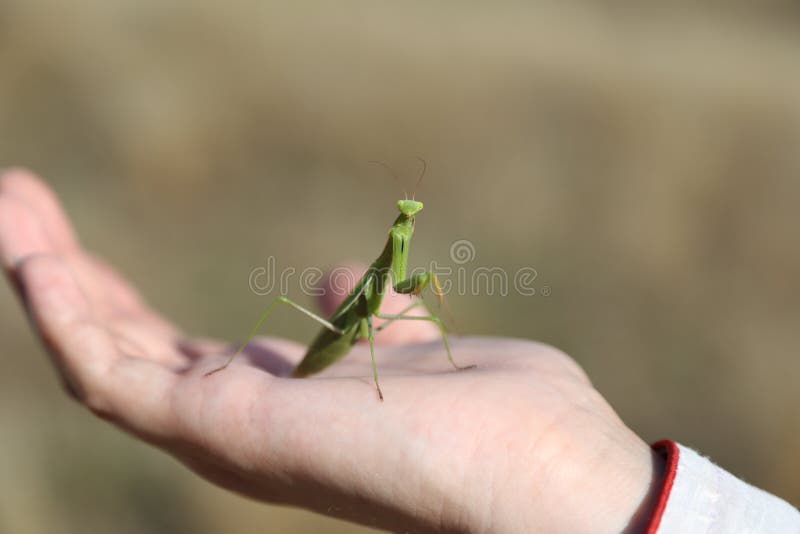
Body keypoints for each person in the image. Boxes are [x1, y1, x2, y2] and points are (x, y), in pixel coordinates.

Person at [0, 168, 797, 533]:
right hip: (331, 343)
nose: (409, 213)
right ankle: (228, 356)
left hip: (356, 331)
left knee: (406, 297)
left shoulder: (402, 255)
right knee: (313, 305)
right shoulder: (391, 255)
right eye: (404, 211)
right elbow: (378, 292)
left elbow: (402, 279)